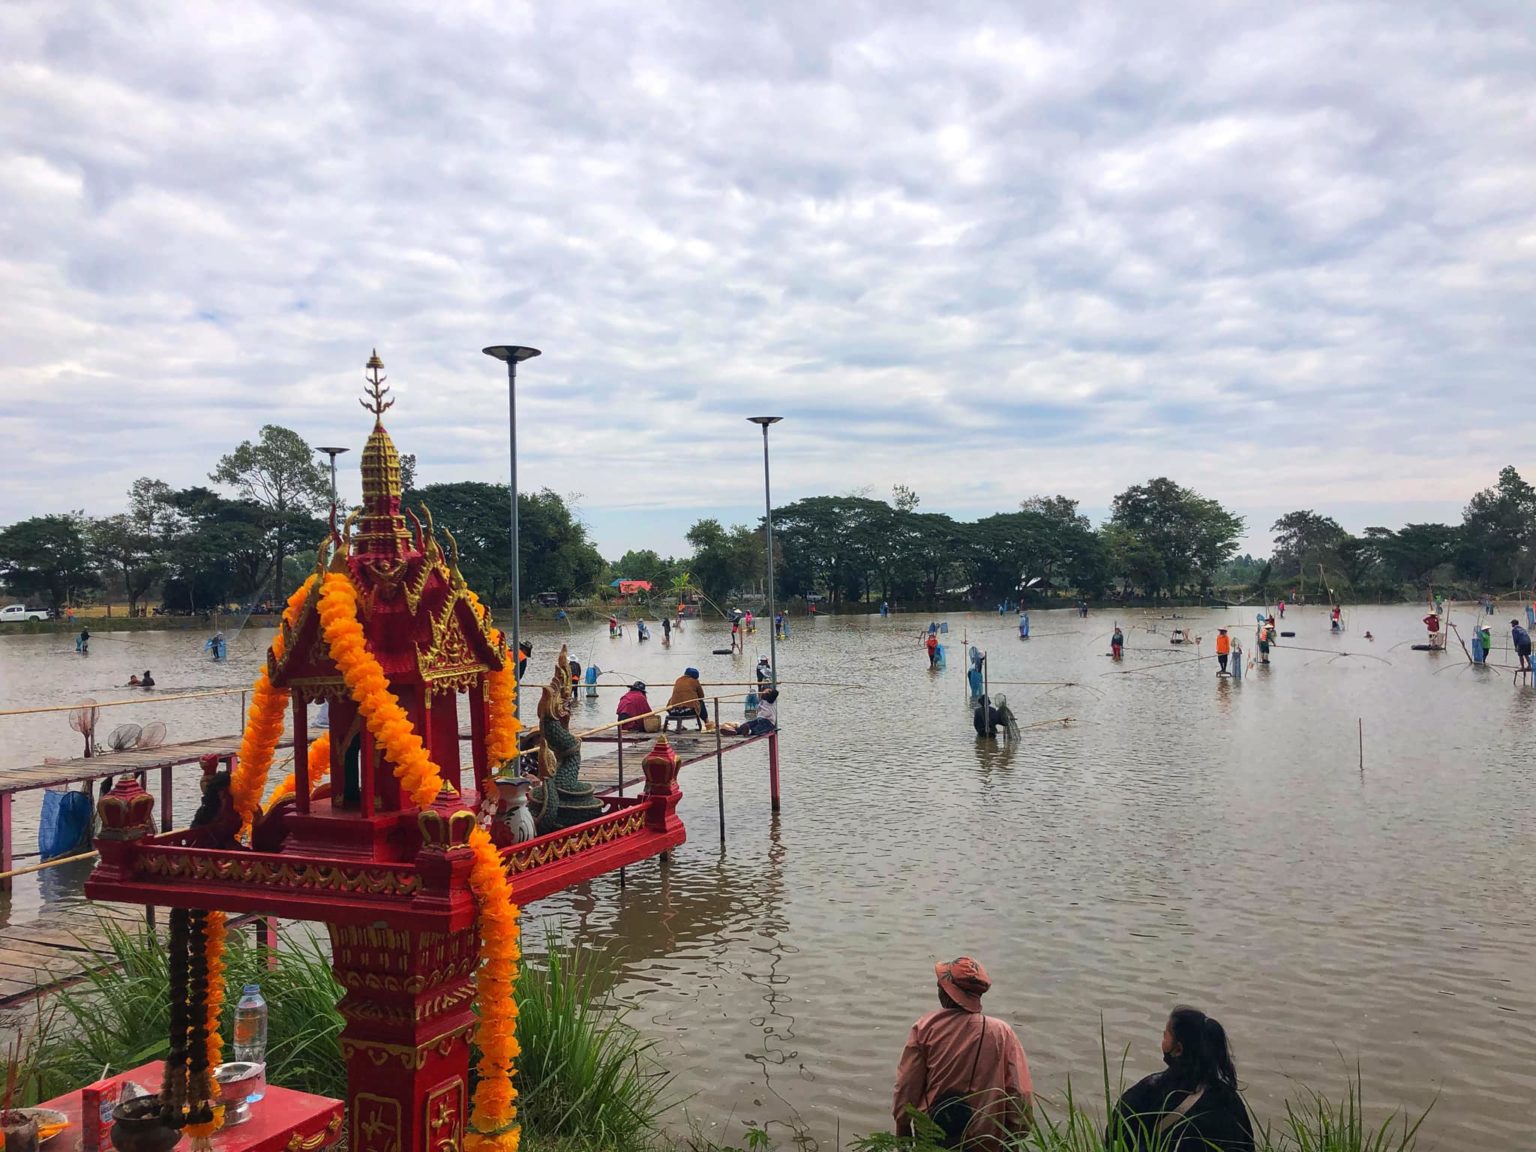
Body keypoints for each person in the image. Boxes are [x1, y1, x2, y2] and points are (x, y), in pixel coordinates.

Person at [893, 957, 1033, 1150]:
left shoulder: (926, 1028)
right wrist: (1015, 1136)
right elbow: (1019, 1092)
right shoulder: (1002, 1032)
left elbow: (907, 1086)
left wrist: (902, 1128)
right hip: (987, 1137)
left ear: (946, 992)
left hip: (932, 1134)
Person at [1107, 1006, 1254, 1152]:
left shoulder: (1151, 1090)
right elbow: (1247, 1146)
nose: (1163, 1041)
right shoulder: (1230, 1101)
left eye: (1165, 1036)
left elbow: (1114, 1136)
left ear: (1178, 1049)